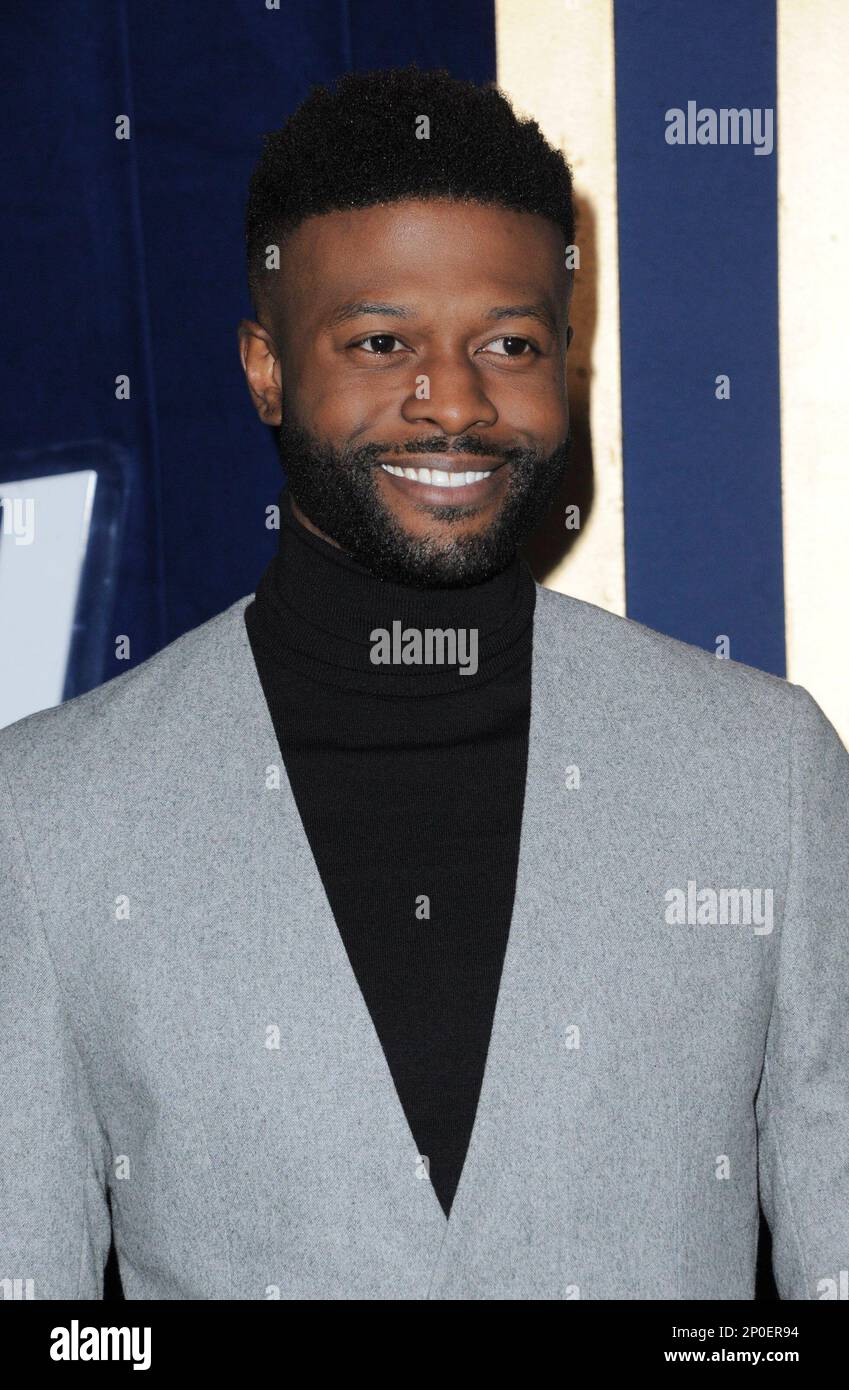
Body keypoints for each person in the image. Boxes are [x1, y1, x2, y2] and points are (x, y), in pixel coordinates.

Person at [1, 64, 847, 1302]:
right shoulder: (50, 812)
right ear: (265, 368)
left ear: (569, 360)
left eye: (508, 343)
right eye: (381, 341)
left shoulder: (765, 775)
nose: (452, 400)